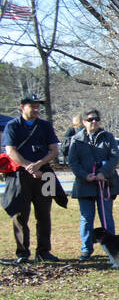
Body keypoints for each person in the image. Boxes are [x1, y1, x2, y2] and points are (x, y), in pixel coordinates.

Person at [3, 95, 63, 263]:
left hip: (45, 175)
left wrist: (39, 164)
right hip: (20, 176)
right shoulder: (12, 126)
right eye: (33, 107)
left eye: (38, 107)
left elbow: (54, 150)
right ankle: (22, 253)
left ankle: (44, 252)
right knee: (20, 215)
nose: (36, 110)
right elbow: (10, 151)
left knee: (44, 214)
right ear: (23, 107)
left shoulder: (45, 126)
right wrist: (28, 166)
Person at [67, 109, 119, 260]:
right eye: (90, 119)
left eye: (96, 119)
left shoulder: (108, 137)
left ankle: (112, 247)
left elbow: (114, 157)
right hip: (85, 185)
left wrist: (102, 173)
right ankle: (86, 249)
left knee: (107, 216)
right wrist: (85, 175)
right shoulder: (77, 139)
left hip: (105, 183)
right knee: (86, 218)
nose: (94, 122)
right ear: (83, 122)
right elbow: (72, 162)